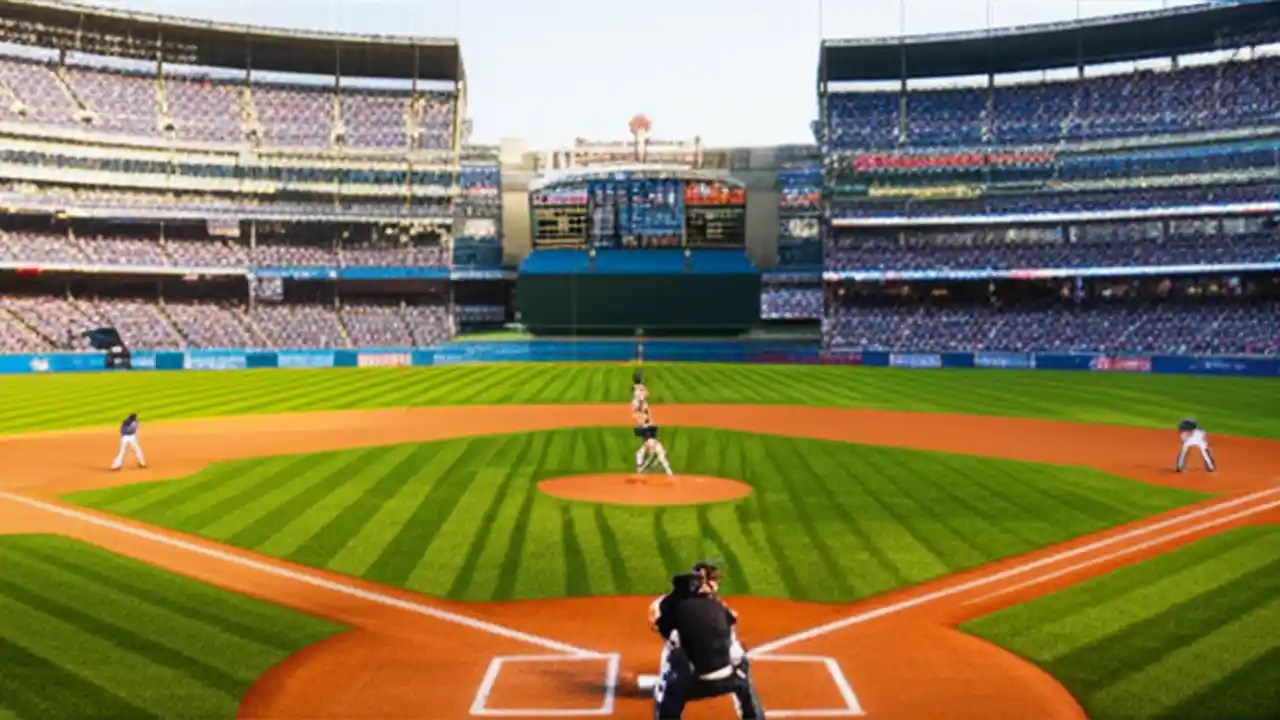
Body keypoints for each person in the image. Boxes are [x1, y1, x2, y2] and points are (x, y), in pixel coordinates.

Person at [648, 563, 764, 719]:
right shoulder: (717, 606)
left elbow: (661, 628)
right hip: (729, 676)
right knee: (742, 665)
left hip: (693, 682)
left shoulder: (670, 607)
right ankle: (754, 716)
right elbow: (732, 620)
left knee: (674, 655)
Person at [632, 379, 673, 476]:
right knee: (654, 445)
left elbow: (644, 397)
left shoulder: (638, 402)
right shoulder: (640, 404)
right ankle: (665, 468)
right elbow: (645, 398)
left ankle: (664, 468)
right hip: (647, 427)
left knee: (652, 446)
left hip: (646, 426)